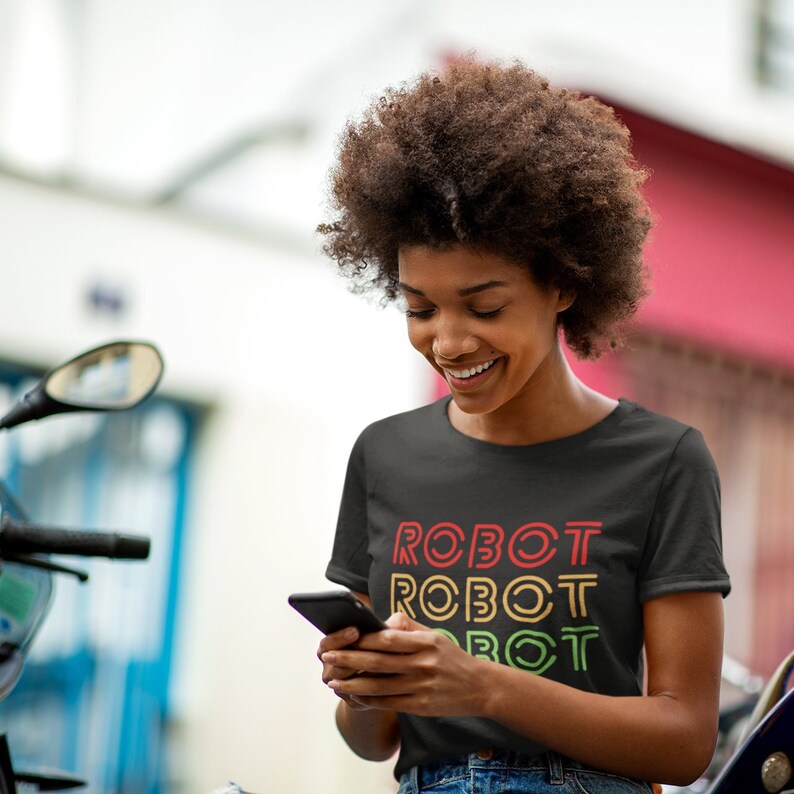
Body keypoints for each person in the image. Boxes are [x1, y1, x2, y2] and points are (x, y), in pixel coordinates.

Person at [314, 56, 731, 794]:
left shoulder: (663, 461)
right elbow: (371, 743)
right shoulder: (385, 456)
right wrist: (364, 685)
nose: (447, 342)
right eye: (419, 308)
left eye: (484, 307)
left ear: (565, 283)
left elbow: (684, 740)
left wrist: (482, 687)